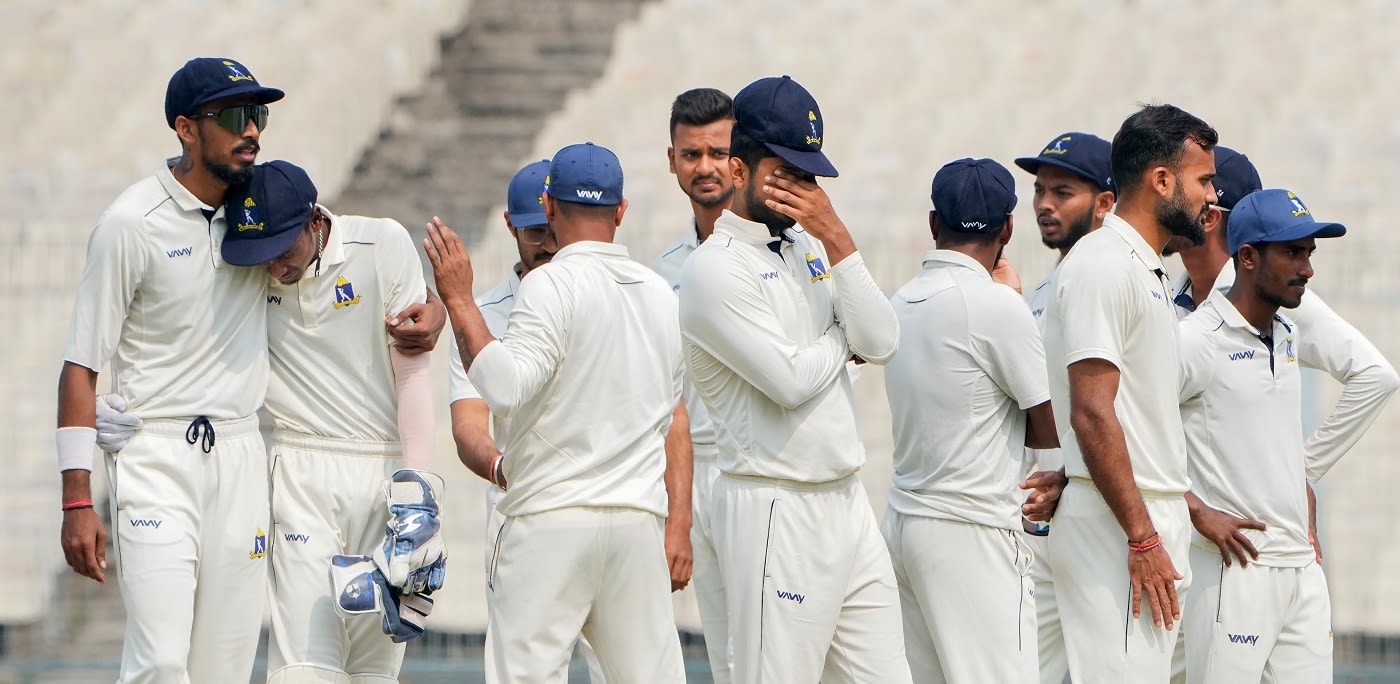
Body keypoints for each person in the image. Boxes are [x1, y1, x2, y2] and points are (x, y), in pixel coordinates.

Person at [56, 57, 283, 684]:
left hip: (240, 452)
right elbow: (80, 364)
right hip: (154, 457)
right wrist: (77, 498)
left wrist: (426, 307)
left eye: (258, 115)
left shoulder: (264, 205)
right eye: (235, 117)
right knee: (159, 661)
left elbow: (340, 251)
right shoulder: (131, 223)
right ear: (186, 128)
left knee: (225, 667)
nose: (253, 132)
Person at [678, 75, 910, 684]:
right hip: (773, 506)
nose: (801, 191)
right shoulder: (713, 272)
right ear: (738, 168)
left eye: (809, 177)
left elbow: (882, 340)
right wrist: (841, 339)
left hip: (845, 499)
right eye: (786, 172)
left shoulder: (810, 245)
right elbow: (788, 381)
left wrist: (835, 236)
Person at [427, 142, 688, 683]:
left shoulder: (547, 283)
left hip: (553, 520)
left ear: (549, 209)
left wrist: (458, 300)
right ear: (620, 211)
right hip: (636, 522)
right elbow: (670, 415)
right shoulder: (660, 294)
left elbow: (503, 386)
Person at [214, 160, 446, 682]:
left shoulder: (381, 245)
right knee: (303, 668)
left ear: (315, 220)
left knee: (373, 673)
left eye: (282, 250)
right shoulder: (248, 269)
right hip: (298, 470)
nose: (272, 268)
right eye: (261, 254)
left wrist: (420, 491)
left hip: (385, 471)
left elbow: (412, 367)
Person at [1041, 104, 1217, 681]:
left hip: (1142, 517)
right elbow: (1092, 413)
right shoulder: (1103, 264)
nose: (1211, 197)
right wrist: (1143, 539)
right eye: (1203, 180)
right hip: (1121, 530)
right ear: (1161, 180)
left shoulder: (1142, 267)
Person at [881, 158, 1059, 682]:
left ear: (935, 224)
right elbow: (1048, 429)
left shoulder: (901, 299)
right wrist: (1012, 302)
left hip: (907, 521)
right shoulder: (997, 306)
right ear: (1008, 227)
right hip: (972, 529)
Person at [1178, 189, 1362, 682]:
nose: (1307, 269)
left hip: (1302, 570)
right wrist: (1195, 510)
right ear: (1249, 256)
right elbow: (1128, 426)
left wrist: (1300, 479)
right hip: (1235, 571)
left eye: (1309, 253)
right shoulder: (1196, 340)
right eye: (1293, 253)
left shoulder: (1287, 333)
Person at [445, 159, 608, 682]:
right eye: (535, 231)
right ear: (512, 227)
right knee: (523, 672)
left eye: (554, 228)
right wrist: (502, 468)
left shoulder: (608, 296)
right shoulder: (485, 313)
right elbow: (470, 422)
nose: (549, 244)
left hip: (607, 503)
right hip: (524, 511)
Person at [1012, 130, 1115, 684]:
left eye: (1063, 192)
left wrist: (1073, 476)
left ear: (1105, 202)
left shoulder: (1124, 287)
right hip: (1042, 519)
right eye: (1040, 190)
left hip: (1106, 516)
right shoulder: (1038, 296)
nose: (1045, 205)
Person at [653, 86, 734, 684]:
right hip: (697, 472)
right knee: (729, 651)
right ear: (673, 160)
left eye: (716, 151)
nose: (703, 166)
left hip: (766, 467)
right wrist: (677, 513)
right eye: (690, 154)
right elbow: (667, 396)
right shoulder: (663, 273)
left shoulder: (789, 250)